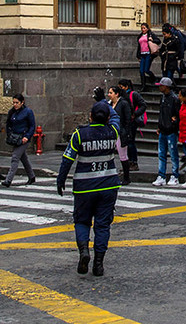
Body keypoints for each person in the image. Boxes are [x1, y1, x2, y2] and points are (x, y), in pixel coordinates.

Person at [57, 102, 121, 278]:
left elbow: (67, 159)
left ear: (90, 117)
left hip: (84, 186)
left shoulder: (79, 134)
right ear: (107, 118)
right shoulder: (112, 132)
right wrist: (108, 105)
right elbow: (116, 118)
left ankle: (84, 250)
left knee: (82, 221)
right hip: (108, 185)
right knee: (102, 225)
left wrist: (61, 179)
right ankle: (98, 263)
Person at [2, 94, 37, 187]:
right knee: (23, 158)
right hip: (15, 137)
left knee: (15, 157)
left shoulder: (28, 112)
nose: (15, 104)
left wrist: (27, 136)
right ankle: (31, 176)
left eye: (17, 103)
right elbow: (8, 124)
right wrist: (9, 134)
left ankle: (8, 180)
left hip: (23, 138)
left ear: (22, 102)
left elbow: (32, 126)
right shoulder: (12, 112)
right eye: (13, 102)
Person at [152, 77, 181, 187]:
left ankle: (175, 175)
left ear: (166, 87)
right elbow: (161, 113)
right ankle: (161, 175)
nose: (160, 87)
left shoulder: (174, 99)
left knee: (173, 154)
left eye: (161, 85)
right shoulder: (163, 98)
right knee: (161, 154)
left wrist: (174, 123)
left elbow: (178, 115)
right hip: (163, 128)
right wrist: (159, 126)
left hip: (171, 130)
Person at [117, 78, 146, 172]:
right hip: (125, 121)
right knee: (127, 142)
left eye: (121, 87)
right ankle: (128, 162)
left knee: (130, 141)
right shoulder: (122, 96)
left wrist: (135, 114)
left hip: (132, 122)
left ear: (126, 87)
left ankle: (133, 161)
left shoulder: (133, 94)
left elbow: (143, 105)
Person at [107, 86, 134, 185]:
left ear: (116, 94)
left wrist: (126, 132)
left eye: (111, 93)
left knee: (123, 156)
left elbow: (127, 119)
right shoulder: (109, 104)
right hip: (111, 132)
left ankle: (126, 177)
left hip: (120, 132)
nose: (109, 95)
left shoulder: (123, 104)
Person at [135, 23, 161, 90]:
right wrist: (138, 55)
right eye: (142, 28)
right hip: (142, 54)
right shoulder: (140, 36)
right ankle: (143, 85)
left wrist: (152, 40)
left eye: (144, 28)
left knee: (146, 69)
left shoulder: (151, 34)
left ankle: (154, 79)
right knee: (141, 71)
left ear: (147, 28)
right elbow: (139, 46)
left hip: (148, 54)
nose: (143, 29)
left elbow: (158, 41)